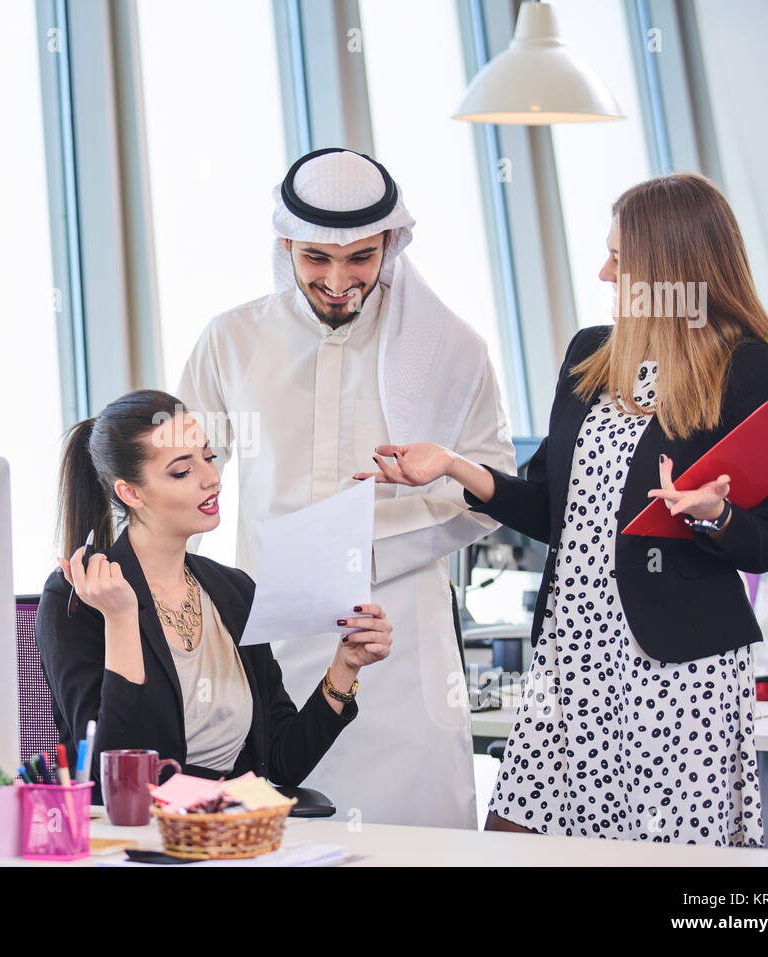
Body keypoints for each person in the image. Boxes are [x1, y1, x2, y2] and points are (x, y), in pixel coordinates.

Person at [356, 172, 768, 845]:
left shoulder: (751, 371)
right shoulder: (591, 357)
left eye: (619, 259)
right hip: (572, 660)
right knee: (519, 839)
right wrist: (452, 465)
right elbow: (549, 508)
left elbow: (765, 541)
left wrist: (714, 515)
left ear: (668, 265)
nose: (602, 272)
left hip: (677, 674)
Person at [177, 147, 515, 827]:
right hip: (267, 643)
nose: (338, 280)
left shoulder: (450, 349)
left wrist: (362, 541)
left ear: (389, 245)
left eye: (360, 258)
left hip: (399, 645)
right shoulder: (232, 340)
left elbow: (488, 493)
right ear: (286, 246)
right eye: (315, 259)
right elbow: (179, 479)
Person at [33, 389, 393, 805]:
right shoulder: (79, 599)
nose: (211, 478)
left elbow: (282, 762)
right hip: (145, 839)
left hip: (235, 832)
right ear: (131, 493)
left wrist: (345, 667)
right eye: (182, 471)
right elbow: (116, 780)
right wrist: (121, 619)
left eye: (208, 457)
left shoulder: (234, 591)